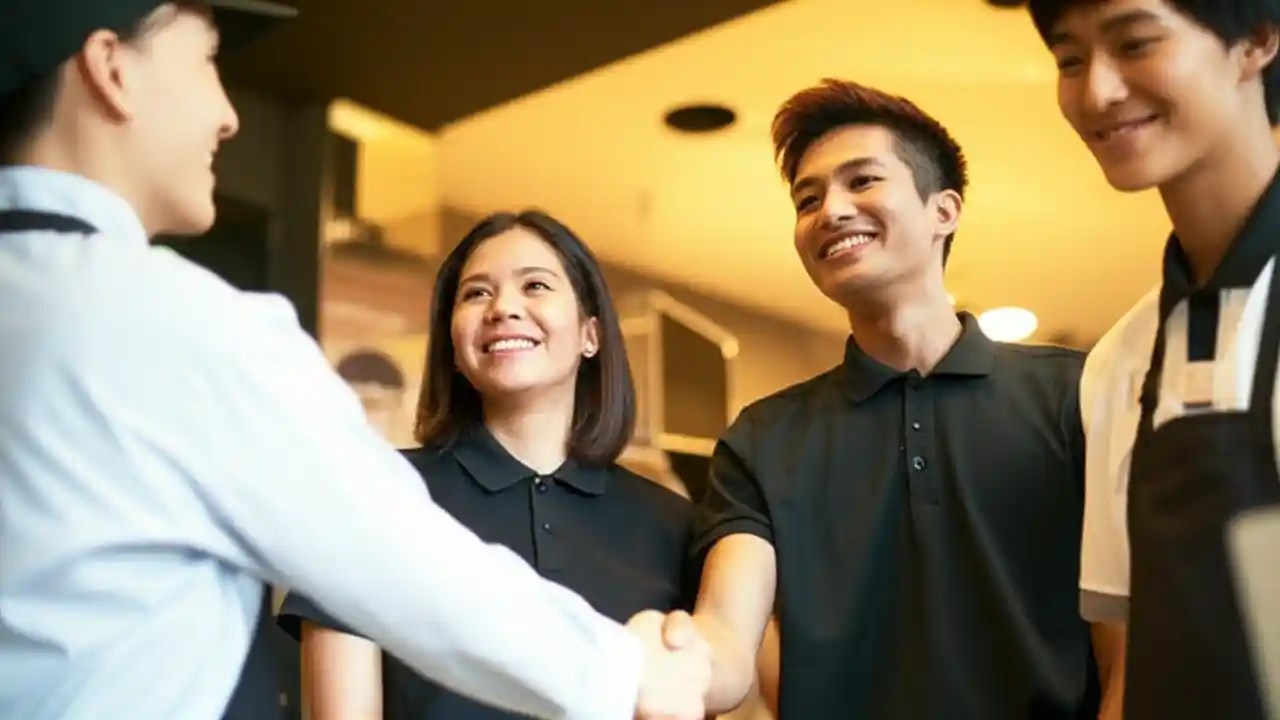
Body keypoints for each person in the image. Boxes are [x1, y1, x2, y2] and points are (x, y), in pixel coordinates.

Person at [0, 2, 710, 719]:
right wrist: (628, 673)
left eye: (536, 287)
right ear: (111, 69)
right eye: (206, 61)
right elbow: (405, 568)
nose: (227, 115)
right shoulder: (183, 324)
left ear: (592, 332)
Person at [651, 78, 1122, 718]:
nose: (831, 210)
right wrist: (675, 661)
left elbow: (1129, 649)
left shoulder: (1079, 393)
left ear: (944, 210)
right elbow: (729, 639)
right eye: (807, 198)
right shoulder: (763, 438)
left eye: (863, 181)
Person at [276, 210, 700, 719]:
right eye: (476, 293)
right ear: (454, 347)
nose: (503, 308)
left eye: (536, 285)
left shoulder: (675, 527)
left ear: (592, 334)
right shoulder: (372, 496)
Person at [1026, 1, 1280, 717]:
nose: (1097, 92)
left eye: (1135, 43)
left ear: (1257, 39)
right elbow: (1130, 668)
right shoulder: (1120, 362)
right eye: (1070, 60)